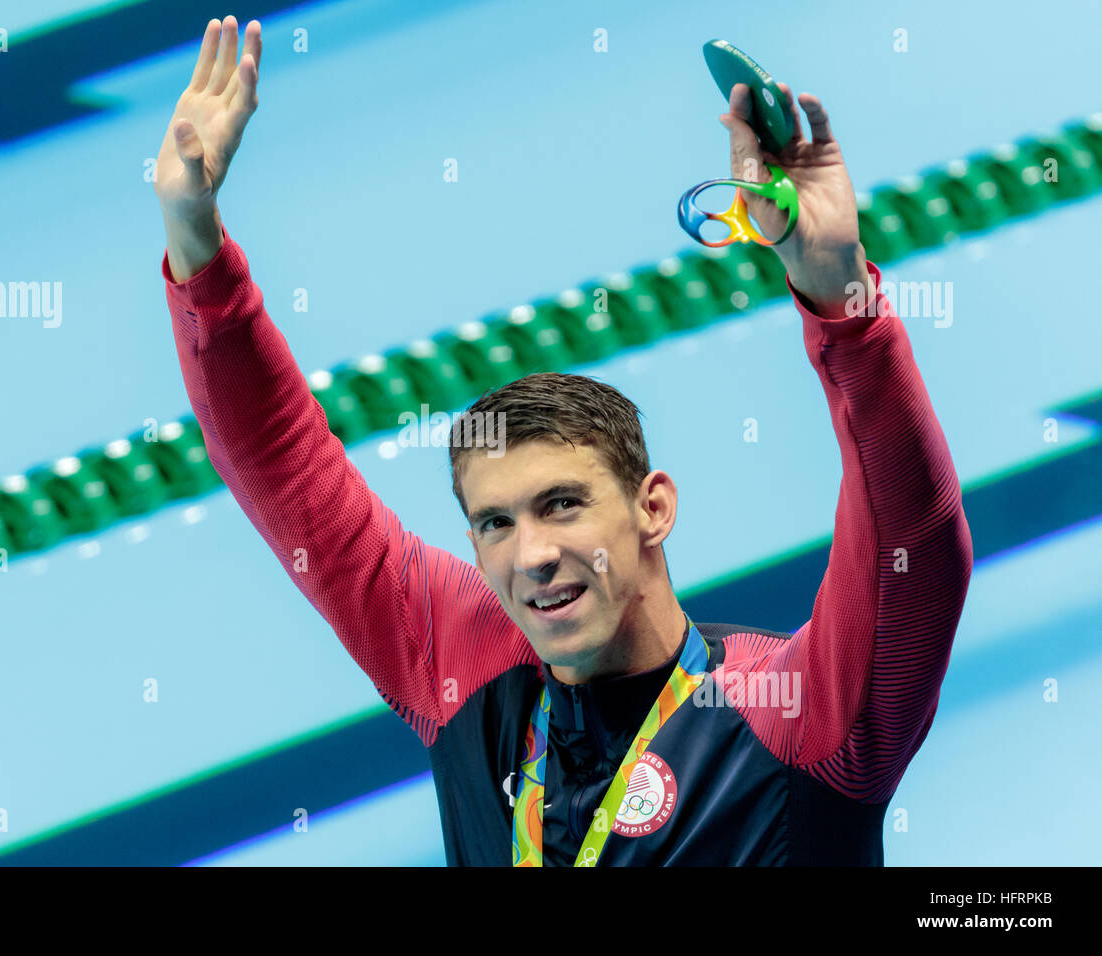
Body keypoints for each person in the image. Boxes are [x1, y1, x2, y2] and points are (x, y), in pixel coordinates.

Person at [154, 16, 974, 865]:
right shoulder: (464, 665)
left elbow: (915, 544)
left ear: (653, 508)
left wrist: (839, 297)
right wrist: (193, 232)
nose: (532, 554)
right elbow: (282, 465)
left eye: (561, 505)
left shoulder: (789, 720)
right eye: (495, 523)